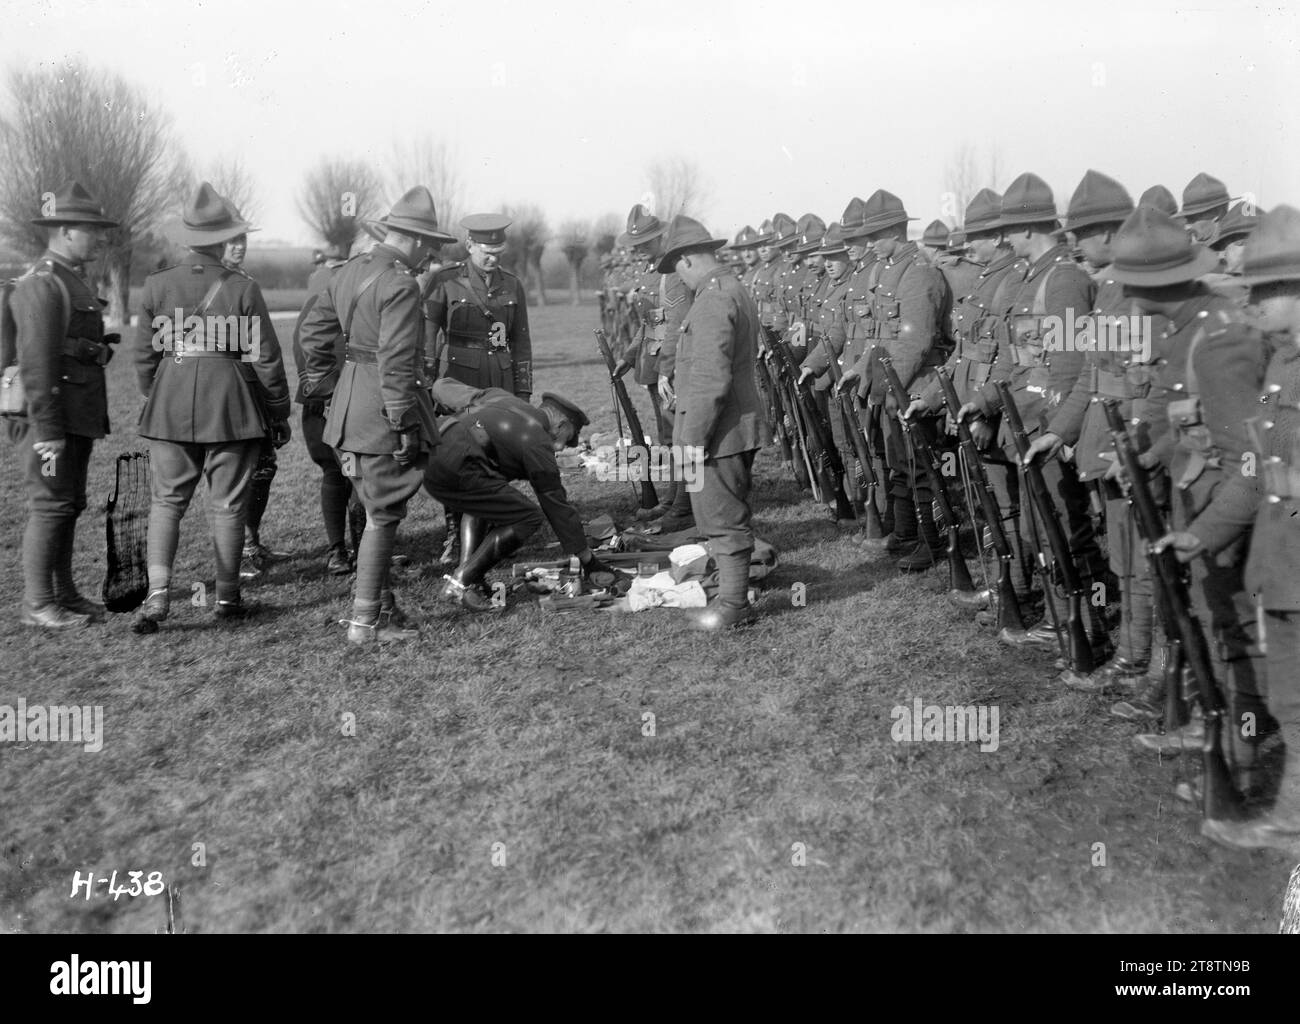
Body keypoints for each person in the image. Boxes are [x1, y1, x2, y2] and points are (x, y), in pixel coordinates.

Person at [1164, 205, 1300, 851]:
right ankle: (1289, 818)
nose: (1252, 302)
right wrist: (1204, 533)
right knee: (1291, 701)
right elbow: (1254, 469)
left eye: (1266, 290)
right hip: (1281, 562)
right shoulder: (1280, 369)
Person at [133, 182, 291, 630]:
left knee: (166, 503)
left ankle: (157, 599)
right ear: (223, 239)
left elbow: (145, 356)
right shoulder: (242, 288)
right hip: (231, 406)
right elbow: (266, 359)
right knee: (227, 505)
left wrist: (155, 394)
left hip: (170, 401)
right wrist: (277, 411)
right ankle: (227, 600)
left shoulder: (156, 285)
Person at [299, 186, 449, 644]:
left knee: (372, 505)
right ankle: (366, 621)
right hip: (382, 410)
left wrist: (332, 385)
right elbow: (399, 361)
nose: (431, 254)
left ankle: (384, 606)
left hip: (347, 408)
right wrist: (403, 421)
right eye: (430, 245)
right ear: (417, 241)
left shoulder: (345, 274)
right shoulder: (400, 284)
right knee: (383, 514)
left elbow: (311, 336)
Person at [6, 181, 117, 629]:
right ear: (66, 230)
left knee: (69, 503)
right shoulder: (43, 283)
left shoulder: (70, 279)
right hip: (49, 420)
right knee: (50, 503)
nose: (100, 238)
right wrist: (48, 430)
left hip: (75, 414)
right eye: (91, 229)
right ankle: (38, 604)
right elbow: (35, 364)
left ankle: (65, 594)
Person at [656, 215, 771, 630]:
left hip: (719, 430)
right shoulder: (731, 289)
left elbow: (710, 379)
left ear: (687, 260)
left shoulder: (711, 300)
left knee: (721, 518)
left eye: (676, 271)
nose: (678, 281)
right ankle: (731, 590)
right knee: (721, 513)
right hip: (729, 425)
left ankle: (733, 607)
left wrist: (690, 439)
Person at [426, 380, 621, 610]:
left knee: (483, 502)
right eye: (568, 438)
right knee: (527, 517)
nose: (561, 448)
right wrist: (589, 561)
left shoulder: (498, 396)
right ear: (560, 424)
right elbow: (556, 506)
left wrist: (464, 414)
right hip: (460, 463)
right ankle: (459, 584)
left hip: (431, 452)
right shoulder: (537, 441)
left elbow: (441, 387)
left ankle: (473, 580)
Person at [216, 200, 285, 580]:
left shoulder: (242, 278)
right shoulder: (216, 281)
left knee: (263, 466)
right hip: (228, 389)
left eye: (242, 238)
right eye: (231, 240)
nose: (239, 245)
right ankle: (239, 550)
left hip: (250, 384)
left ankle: (251, 539)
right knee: (235, 470)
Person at [293, 240, 357, 575]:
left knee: (352, 475)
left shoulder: (356, 303)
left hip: (343, 402)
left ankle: (355, 551)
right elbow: (303, 353)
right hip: (326, 405)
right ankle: (341, 550)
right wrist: (326, 391)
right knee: (343, 474)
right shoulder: (321, 306)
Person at [423, 213, 532, 400]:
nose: (494, 259)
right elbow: (427, 335)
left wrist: (523, 390)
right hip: (457, 378)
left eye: (498, 254)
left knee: (500, 427)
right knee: (461, 426)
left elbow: (521, 342)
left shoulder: (513, 284)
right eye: (487, 254)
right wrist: (426, 383)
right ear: (469, 246)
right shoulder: (447, 279)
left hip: (500, 378)